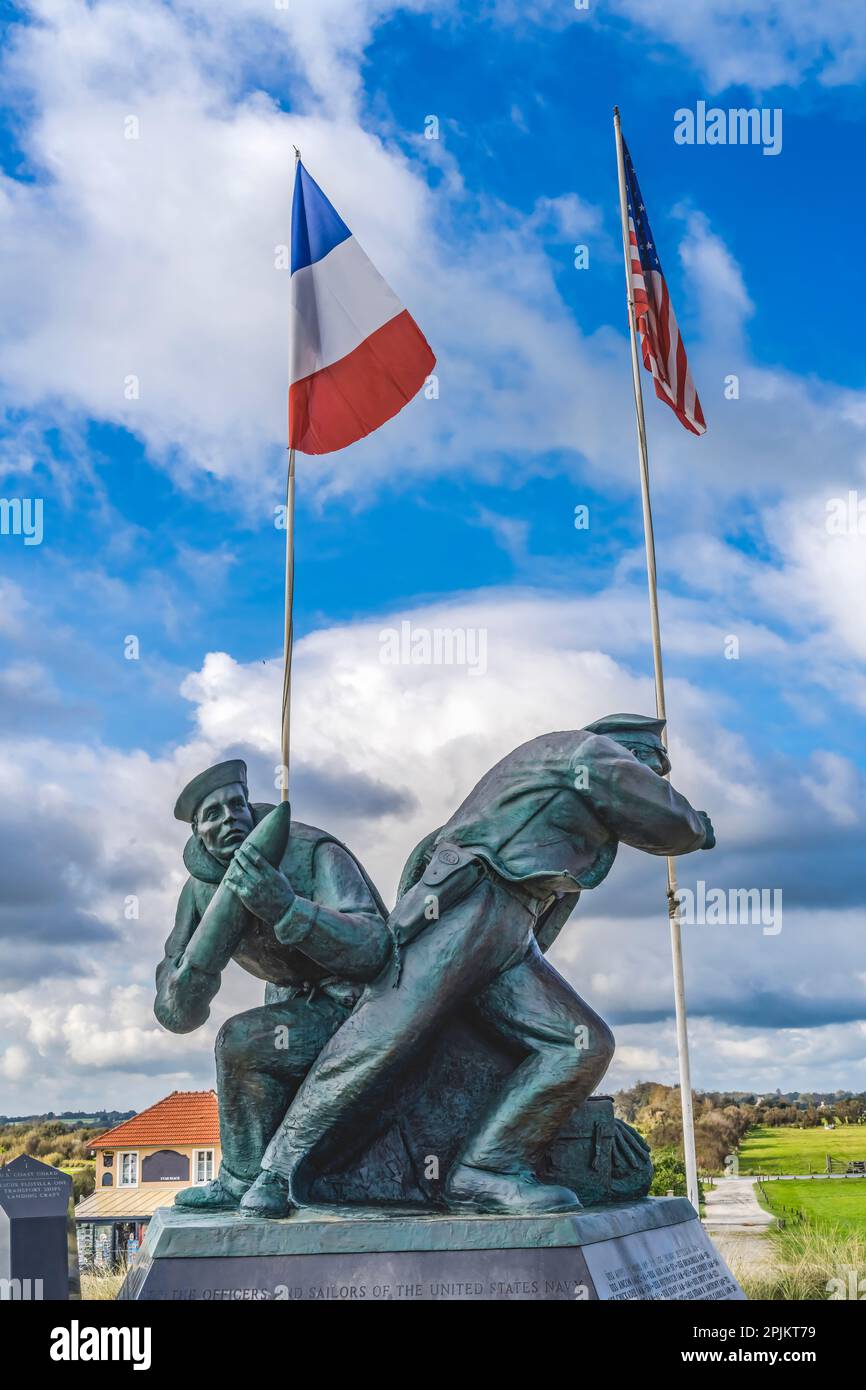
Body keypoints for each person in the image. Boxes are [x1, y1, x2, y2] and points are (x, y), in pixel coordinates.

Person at [246, 715, 714, 1217]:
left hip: (510, 924)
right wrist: (698, 826)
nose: (656, 779)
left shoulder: (568, 791)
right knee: (382, 1038)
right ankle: (273, 1176)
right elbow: (671, 824)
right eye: (653, 766)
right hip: (474, 903)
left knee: (579, 1043)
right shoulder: (586, 753)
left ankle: (485, 1170)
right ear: (626, 750)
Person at [154, 759, 391, 1217]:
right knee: (246, 1043)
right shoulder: (199, 891)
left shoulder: (311, 849)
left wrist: (287, 908)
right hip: (294, 1003)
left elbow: (373, 946)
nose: (229, 819)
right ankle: (243, 1178)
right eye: (213, 815)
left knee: (240, 1040)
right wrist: (179, 980)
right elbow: (175, 984)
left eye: (235, 805)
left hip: (363, 1003)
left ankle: (251, 1179)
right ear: (198, 832)